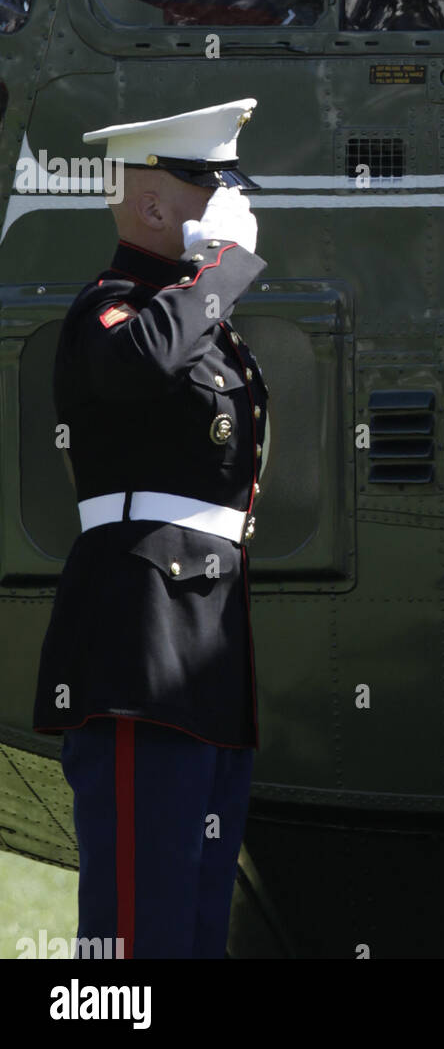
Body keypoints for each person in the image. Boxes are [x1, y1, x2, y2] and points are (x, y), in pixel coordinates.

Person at [32, 99, 269, 959]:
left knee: (199, 913)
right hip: (140, 635)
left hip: (206, 641)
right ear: (155, 204)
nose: (229, 204)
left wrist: (208, 285)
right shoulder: (114, 306)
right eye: (209, 184)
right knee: (138, 921)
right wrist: (222, 271)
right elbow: (138, 367)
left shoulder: (190, 313)